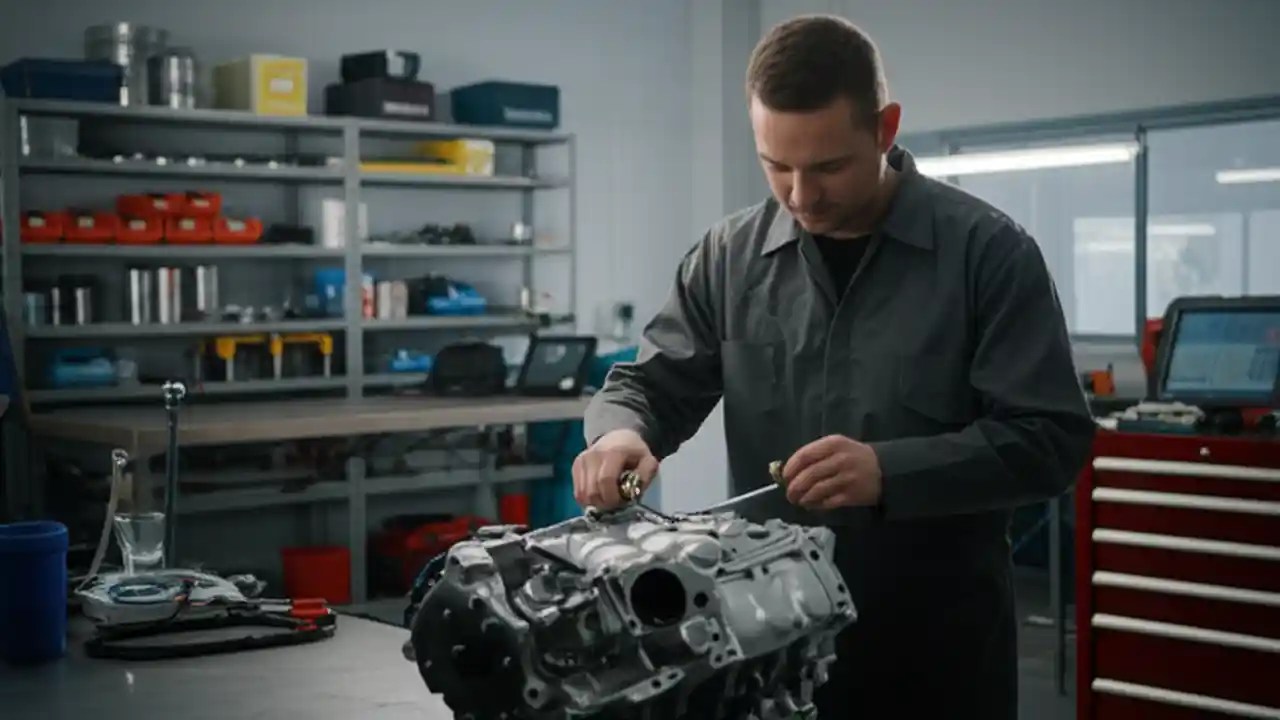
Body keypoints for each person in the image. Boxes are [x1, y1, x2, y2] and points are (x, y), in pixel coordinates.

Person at [574, 13, 1095, 719]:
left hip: (935, 648)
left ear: (886, 128)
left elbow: (1051, 439)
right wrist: (619, 434)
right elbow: (649, 385)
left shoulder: (989, 255)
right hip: (766, 643)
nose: (799, 195)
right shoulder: (727, 259)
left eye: (827, 166)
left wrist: (890, 472)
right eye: (775, 165)